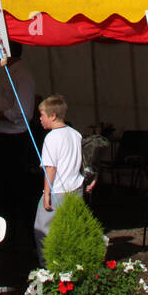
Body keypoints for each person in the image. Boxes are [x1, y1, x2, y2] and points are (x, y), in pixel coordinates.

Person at [34, 95, 93, 261]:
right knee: (71, 228)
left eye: (42, 115)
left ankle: (48, 266)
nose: (40, 119)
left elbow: (51, 168)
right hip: (75, 189)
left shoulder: (51, 138)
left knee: (43, 229)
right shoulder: (75, 134)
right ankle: (72, 263)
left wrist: (47, 193)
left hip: (58, 191)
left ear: (53, 116)